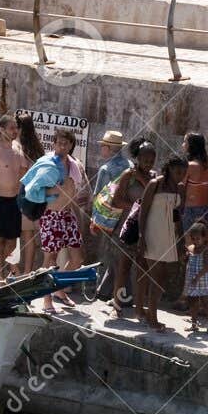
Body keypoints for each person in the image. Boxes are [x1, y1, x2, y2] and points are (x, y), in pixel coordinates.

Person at [136, 155, 186, 331]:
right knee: (156, 277)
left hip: (169, 235)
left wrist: (181, 240)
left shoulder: (180, 188)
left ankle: (149, 314)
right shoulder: (154, 184)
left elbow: (177, 215)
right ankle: (152, 318)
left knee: (162, 277)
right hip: (152, 234)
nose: (180, 174)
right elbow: (143, 212)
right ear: (169, 168)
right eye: (177, 170)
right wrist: (141, 237)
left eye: (183, 172)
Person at [37, 129, 85, 312]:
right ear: (54, 144)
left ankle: (58, 288)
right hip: (50, 215)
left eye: (66, 143)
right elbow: (34, 190)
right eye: (59, 143)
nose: (62, 146)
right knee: (50, 259)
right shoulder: (47, 164)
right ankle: (46, 300)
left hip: (68, 214)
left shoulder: (74, 165)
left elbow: (80, 190)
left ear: (71, 145)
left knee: (78, 258)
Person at [109, 140, 157, 317]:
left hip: (145, 229)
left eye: (152, 160)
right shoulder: (128, 176)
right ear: (137, 158)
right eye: (145, 159)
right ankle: (117, 306)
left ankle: (139, 308)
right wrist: (136, 207)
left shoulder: (154, 177)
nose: (148, 163)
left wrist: (144, 181)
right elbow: (116, 201)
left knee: (143, 269)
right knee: (123, 268)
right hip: (128, 227)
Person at [0, 114, 30, 279]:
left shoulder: (18, 147)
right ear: (1, 129)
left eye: (16, 128)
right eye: (11, 128)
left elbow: (24, 174)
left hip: (14, 202)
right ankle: (0, 280)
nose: (15, 131)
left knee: (11, 243)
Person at [91, 129, 130, 302]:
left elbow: (98, 196)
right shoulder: (131, 166)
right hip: (128, 215)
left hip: (110, 218)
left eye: (103, 147)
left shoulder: (106, 169)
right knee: (121, 254)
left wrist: (94, 220)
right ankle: (107, 290)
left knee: (112, 255)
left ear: (108, 148)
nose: (101, 150)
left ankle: (114, 293)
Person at [13, 111, 49, 274]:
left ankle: (15, 271)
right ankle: (27, 272)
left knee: (11, 236)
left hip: (18, 196)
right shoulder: (38, 148)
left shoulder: (16, 147)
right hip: (34, 197)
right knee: (29, 238)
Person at [182, 220, 208, 334]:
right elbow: (187, 262)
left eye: (198, 239)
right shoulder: (191, 248)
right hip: (192, 280)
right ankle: (194, 323)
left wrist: (197, 277)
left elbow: (207, 267)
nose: (195, 241)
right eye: (193, 238)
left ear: (205, 238)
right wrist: (185, 257)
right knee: (193, 303)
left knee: (205, 302)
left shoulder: (206, 251)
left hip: (201, 281)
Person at [180, 132, 208, 231]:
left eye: (185, 142)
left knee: (187, 242)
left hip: (190, 210)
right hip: (207, 210)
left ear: (191, 146)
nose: (183, 145)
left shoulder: (190, 166)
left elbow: (181, 188)